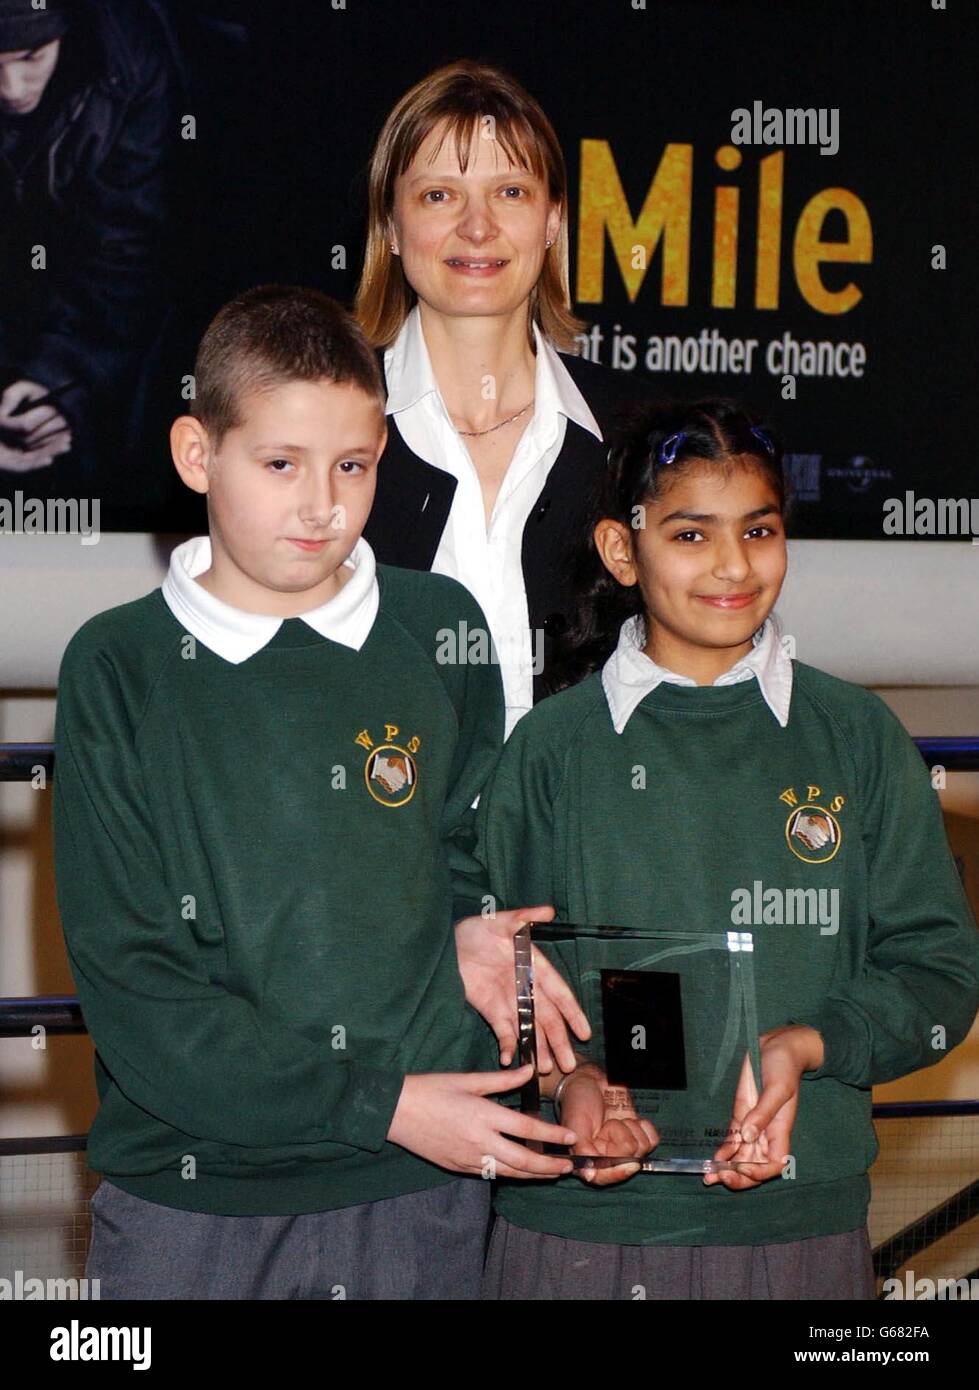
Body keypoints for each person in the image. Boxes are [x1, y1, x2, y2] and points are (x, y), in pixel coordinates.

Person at [52, 284, 587, 1301]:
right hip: (195, 1197)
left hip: (420, 1187)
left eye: (353, 465)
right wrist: (379, 1103)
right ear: (197, 455)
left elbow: (464, 856)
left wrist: (476, 924)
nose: (320, 504)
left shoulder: (441, 624)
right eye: (280, 464)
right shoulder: (118, 665)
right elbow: (134, 985)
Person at [474, 398, 979, 1300]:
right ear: (622, 551)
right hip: (577, 1235)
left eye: (759, 529)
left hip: (797, 1230)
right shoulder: (548, 752)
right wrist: (568, 1085)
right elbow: (485, 980)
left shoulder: (856, 736)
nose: (733, 566)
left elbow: (938, 972)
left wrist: (808, 1044)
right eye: (690, 534)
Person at [355, 59, 640, 737]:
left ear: (551, 221)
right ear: (391, 227)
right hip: (378, 836)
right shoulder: (320, 427)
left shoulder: (636, 436)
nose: (477, 227)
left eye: (510, 191)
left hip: (582, 838)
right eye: (438, 196)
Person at [0, 0, 184, 508]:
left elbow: (128, 248)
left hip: (87, 320)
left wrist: (60, 380)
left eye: (31, 56)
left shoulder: (131, 62)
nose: (12, 90)